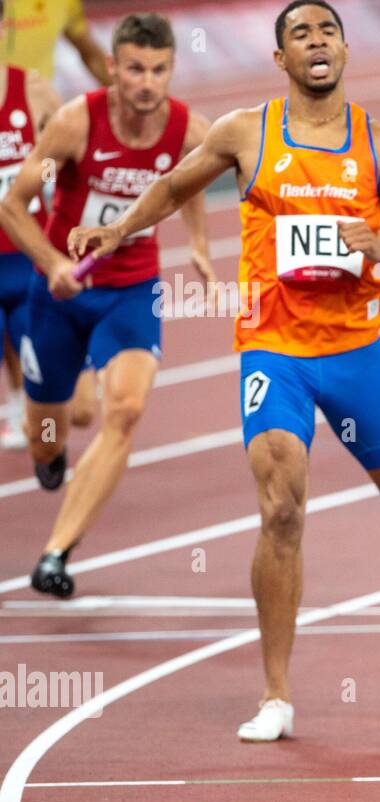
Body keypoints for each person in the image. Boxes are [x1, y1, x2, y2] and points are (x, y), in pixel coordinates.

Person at [68, 0, 380, 742]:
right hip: (272, 348)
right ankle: (276, 694)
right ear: (280, 59)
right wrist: (116, 229)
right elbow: (178, 185)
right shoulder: (246, 132)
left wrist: (373, 244)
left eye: (327, 31)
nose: (316, 42)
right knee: (281, 505)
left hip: (353, 351)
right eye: (300, 34)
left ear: (344, 50)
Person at [0, 12, 214, 596]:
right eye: (136, 70)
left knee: (124, 410)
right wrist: (54, 264)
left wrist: (197, 242)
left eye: (159, 70)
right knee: (56, 429)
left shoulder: (187, 129)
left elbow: (190, 178)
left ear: (171, 70)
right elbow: (15, 203)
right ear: (112, 68)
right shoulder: (74, 124)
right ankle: (50, 454)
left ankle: (56, 553)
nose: (147, 83)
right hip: (60, 296)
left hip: (130, 292)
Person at [0, 0, 108, 445]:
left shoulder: (38, 91)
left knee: (79, 411)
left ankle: (41, 426)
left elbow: (70, 166)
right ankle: (19, 405)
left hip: (33, 262)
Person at [0, 8, 62, 449]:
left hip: (28, 256)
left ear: (5, 27)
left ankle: (34, 416)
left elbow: (77, 146)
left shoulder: (35, 90)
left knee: (41, 365)